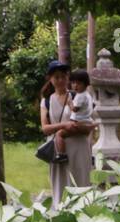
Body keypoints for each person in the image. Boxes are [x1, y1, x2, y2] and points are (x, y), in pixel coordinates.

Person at [39, 60, 94, 205]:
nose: (60, 80)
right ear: (50, 79)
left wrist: (74, 128)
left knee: (82, 183)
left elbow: (90, 124)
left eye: (63, 77)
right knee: (60, 185)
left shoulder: (78, 97)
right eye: (56, 77)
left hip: (79, 147)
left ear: (68, 78)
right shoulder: (46, 101)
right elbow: (45, 128)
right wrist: (64, 125)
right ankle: (60, 217)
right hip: (58, 150)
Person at [52, 69, 94, 165]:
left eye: (78, 83)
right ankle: (90, 154)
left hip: (78, 123)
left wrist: (70, 104)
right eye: (73, 83)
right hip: (86, 122)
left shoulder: (80, 96)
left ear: (85, 84)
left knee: (59, 134)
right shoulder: (87, 95)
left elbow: (75, 109)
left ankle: (62, 155)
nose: (75, 85)